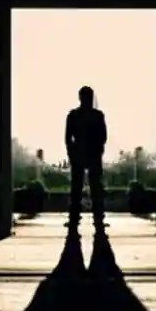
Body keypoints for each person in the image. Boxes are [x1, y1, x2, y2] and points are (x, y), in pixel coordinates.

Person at [64, 85, 108, 231]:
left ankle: (75, 219)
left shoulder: (74, 115)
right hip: (92, 155)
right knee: (95, 188)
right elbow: (103, 136)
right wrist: (98, 150)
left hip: (81, 154)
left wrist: (71, 153)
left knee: (77, 188)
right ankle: (97, 219)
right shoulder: (97, 115)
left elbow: (68, 138)